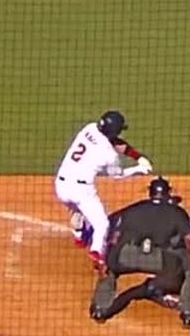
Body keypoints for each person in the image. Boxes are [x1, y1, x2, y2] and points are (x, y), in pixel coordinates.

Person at [89, 176, 190, 327]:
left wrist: (108, 260)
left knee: (109, 267)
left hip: (127, 256)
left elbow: (114, 238)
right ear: (167, 193)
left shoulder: (132, 210)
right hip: (159, 259)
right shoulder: (177, 212)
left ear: (150, 193)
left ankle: (100, 309)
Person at [54, 110, 153, 272]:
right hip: (81, 191)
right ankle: (97, 252)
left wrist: (137, 155)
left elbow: (114, 141)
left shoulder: (89, 128)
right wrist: (138, 169)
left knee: (77, 209)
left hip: (61, 186)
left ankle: (79, 232)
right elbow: (117, 176)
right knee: (102, 224)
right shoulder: (108, 155)